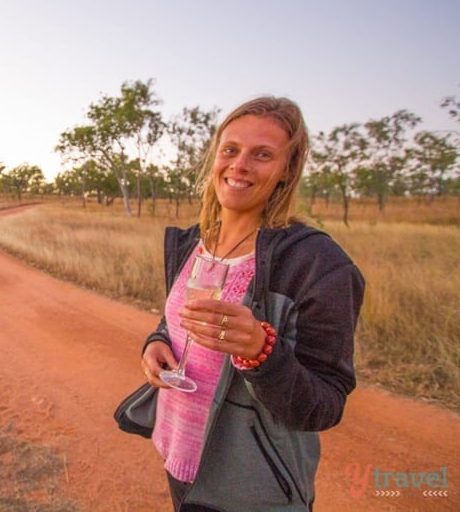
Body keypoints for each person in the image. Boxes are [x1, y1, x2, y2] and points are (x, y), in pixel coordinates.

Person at [140, 96, 365, 511]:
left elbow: (326, 404)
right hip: (178, 456)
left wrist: (262, 353)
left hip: (251, 485)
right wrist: (155, 343)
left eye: (262, 155)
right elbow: (173, 324)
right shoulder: (192, 243)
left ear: (286, 171)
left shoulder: (317, 265)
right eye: (231, 150)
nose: (240, 165)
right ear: (215, 158)